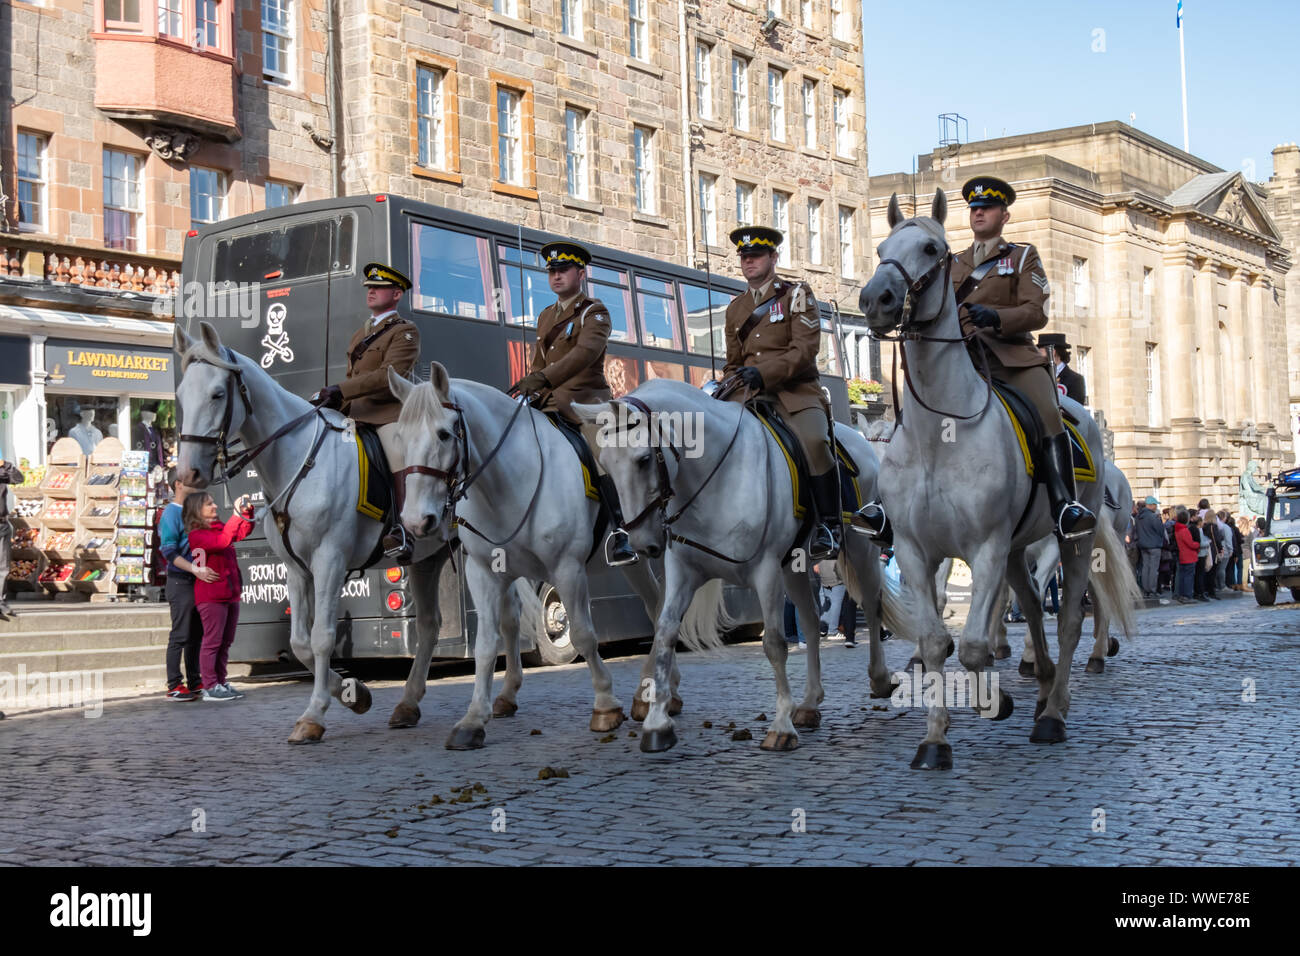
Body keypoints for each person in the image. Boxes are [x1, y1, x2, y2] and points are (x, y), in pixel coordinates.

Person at [858, 176, 1094, 545]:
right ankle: (885, 506)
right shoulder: (947, 262)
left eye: (988, 207)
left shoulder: (1022, 257)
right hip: (960, 357)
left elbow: (1038, 311)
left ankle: (1066, 505)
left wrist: (998, 318)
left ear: (1004, 215)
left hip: (1011, 360)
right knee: (909, 417)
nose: (979, 212)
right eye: (974, 207)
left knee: (1048, 410)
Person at [715, 226, 840, 560]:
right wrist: (727, 385)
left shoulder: (796, 295)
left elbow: (804, 351)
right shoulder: (736, 308)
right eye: (744, 256)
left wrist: (764, 373)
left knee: (814, 442)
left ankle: (829, 525)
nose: (749, 262)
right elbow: (732, 362)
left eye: (756, 255)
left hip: (794, 394)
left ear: (773, 257)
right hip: (747, 395)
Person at [509, 240, 635, 566]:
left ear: (581, 273)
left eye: (563, 270)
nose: (556, 276)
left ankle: (621, 531)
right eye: (552, 271)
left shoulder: (595, 312)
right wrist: (531, 387)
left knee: (601, 454)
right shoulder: (545, 315)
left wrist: (544, 379)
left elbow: (585, 354)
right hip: (546, 402)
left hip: (586, 403)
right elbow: (539, 365)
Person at [311, 262, 420, 563]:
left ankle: (403, 529)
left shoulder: (405, 332)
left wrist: (341, 390)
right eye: (369, 287)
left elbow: (390, 376)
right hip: (353, 416)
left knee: (397, 456)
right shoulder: (360, 334)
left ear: (396, 294)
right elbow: (353, 379)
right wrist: (333, 400)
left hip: (386, 416)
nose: (371, 291)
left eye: (379, 288)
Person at [185, 492, 256, 702]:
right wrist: (236, 514)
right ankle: (210, 685)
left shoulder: (217, 529)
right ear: (198, 510)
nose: (215, 506)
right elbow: (224, 541)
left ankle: (220, 682)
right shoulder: (198, 534)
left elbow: (241, 532)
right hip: (212, 596)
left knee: (225, 642)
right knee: (212, 642)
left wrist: (245, 512)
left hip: (229, 593)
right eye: (209, 504)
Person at [158, 471, 220, 701]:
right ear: (178, 485)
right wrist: (194, 569)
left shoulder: (192, 511)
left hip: (196, 579)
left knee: (196, 634)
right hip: (180, 580)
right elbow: (169, 551)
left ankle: (195, 680)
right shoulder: (170, 514)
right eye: (190, 482)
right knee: (181, 634)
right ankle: (174, 683)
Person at [0, 457, 24, 618]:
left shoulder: (2, 471)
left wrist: (6, 465)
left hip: (2, 523)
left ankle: (0, 602)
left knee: (3, 566)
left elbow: (18, 478)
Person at [1038, 333, 1088, 404]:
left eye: (1040, 351)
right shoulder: (1040, 375)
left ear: (1052, 352)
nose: (1038, 355)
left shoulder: (1075, 380)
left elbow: (1075, 410)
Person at [1134, 495, 1166, 598]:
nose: (1156, 507)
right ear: (1151, 505)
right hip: (1154, 545)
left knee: (1145, 568)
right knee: (1153, 569)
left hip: (1143, 545)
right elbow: (1161, 530)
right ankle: (1152, 590)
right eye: (1155, 505)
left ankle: (1145, 590)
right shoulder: (1153, 517)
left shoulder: (1139, 517)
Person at [1173, 508, 1197, 604]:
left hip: (1183, 555)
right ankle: (1187, 595)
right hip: (1188, 556)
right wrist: (1197, 544)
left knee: (1183, 576)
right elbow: (1190, 543)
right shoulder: (1184, 530)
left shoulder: (1177, 529)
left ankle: (1182, 595)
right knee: (1188, 577)